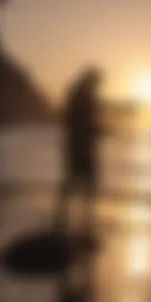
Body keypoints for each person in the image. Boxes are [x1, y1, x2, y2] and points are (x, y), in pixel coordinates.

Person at [54, 66, 104, 245]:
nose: (99, 86)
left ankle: (67, 218)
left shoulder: (76, 94)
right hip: (80, 147)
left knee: (73, 183)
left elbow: (70, 120)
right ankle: (83, 220)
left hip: (76, 145)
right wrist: (96, 130)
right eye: (97, 82)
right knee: (84, 184)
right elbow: (84, 122)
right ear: (91, 80)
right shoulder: (83, 96)